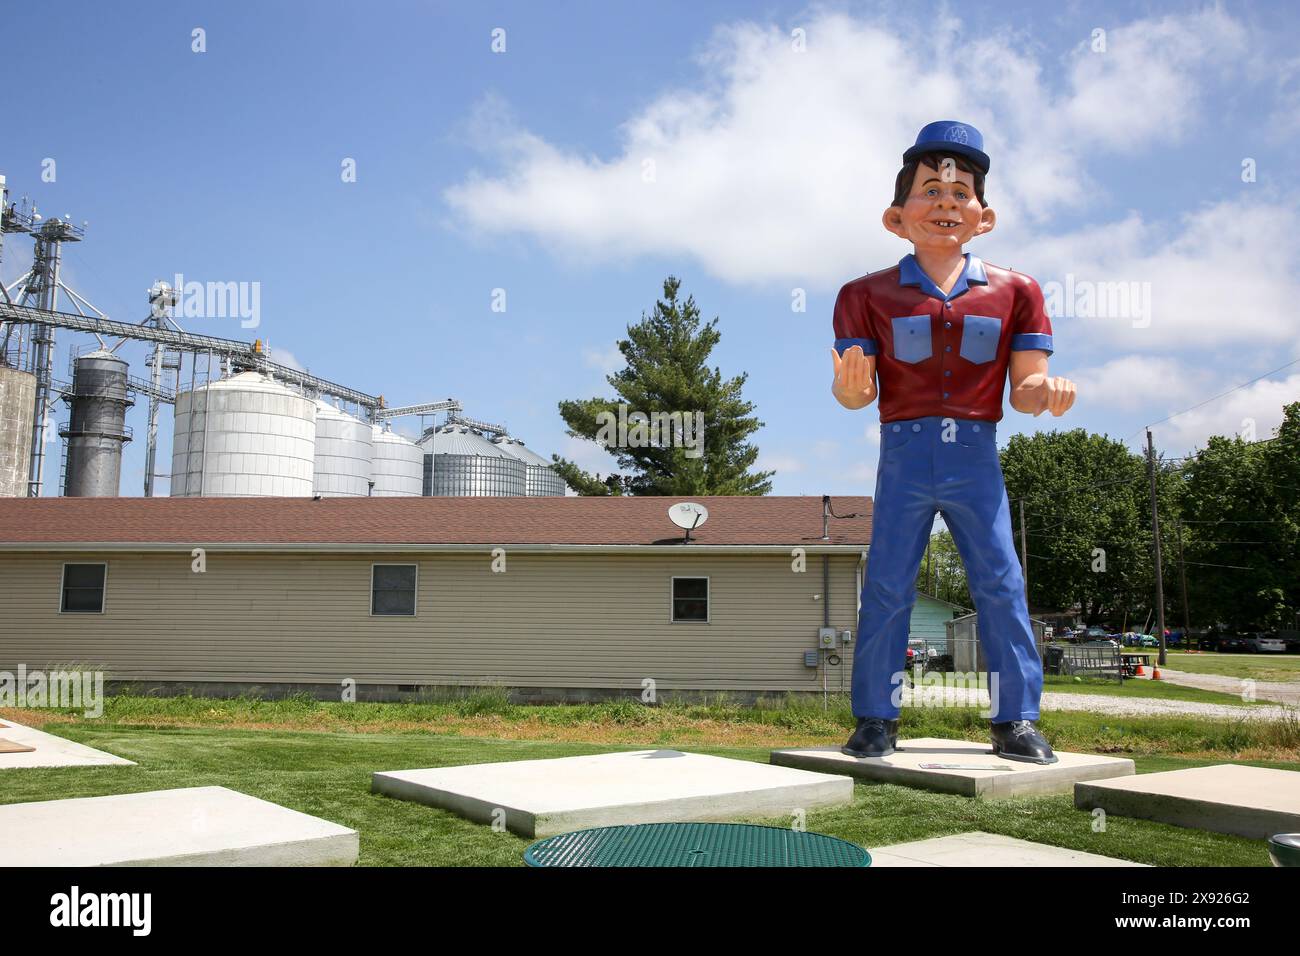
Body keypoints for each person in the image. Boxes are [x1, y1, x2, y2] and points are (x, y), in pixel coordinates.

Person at [830, 120, 1077, 764]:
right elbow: (856, 390)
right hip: (903, 451)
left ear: (984, 216)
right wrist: (851, 390)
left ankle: (1016, 719)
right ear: (896, 216)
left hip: (976, 451)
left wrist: (1042, 389)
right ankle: (876, 720)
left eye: (961, 193)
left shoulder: (1017, 292)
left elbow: (1024, 387)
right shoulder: (863, 295)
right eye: (930, 191)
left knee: (1000, 581)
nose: (946, 203)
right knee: (887, 583)